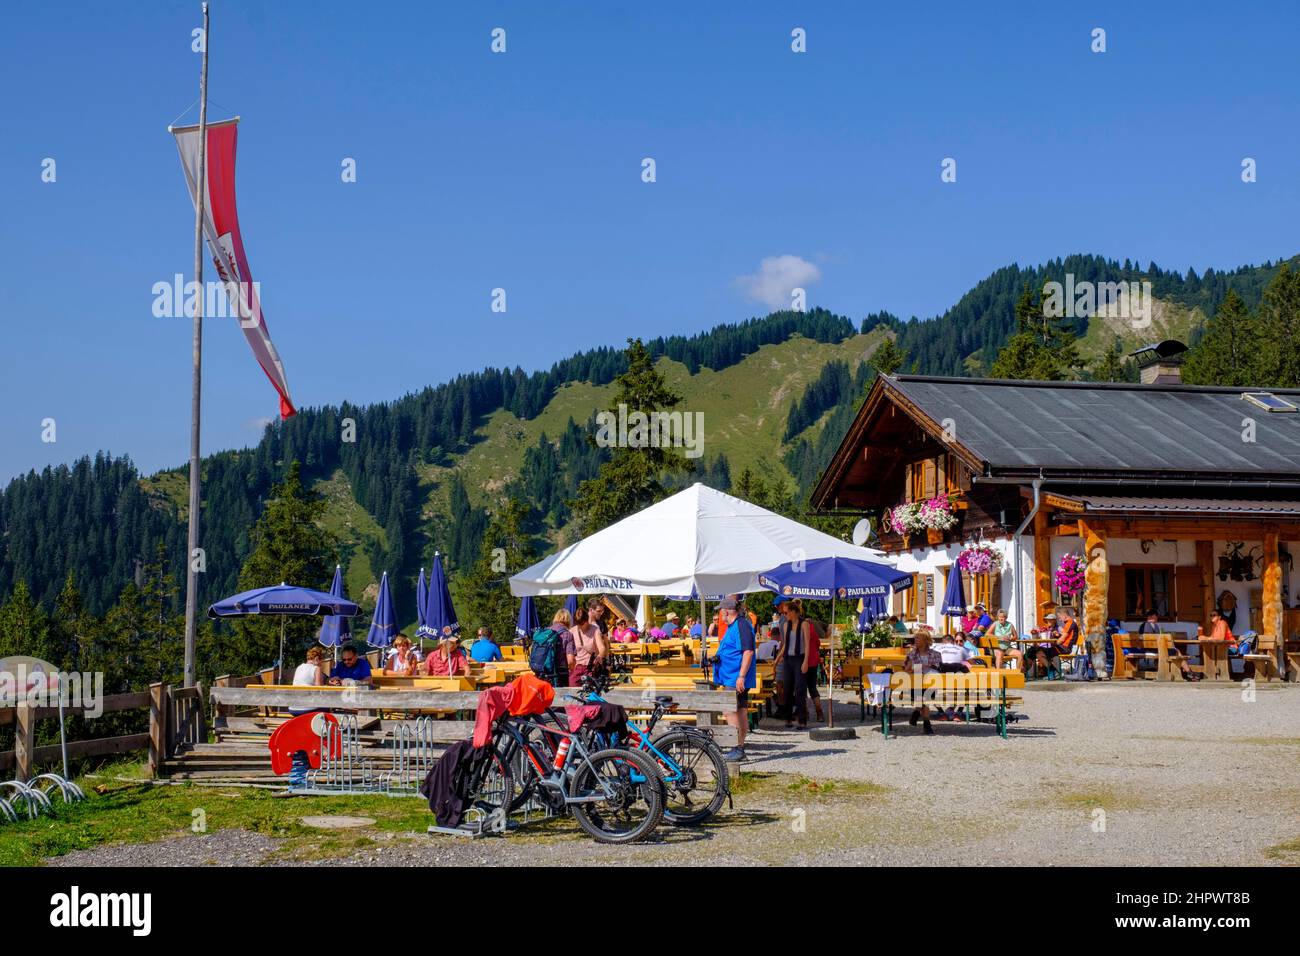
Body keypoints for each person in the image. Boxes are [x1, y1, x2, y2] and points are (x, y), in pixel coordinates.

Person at [713, 597, 756, 761]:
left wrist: (741, 676)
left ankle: (737, 748)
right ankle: (739, 747)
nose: (719, 615)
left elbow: (748, 651)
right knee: (740, 711)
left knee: (729, 711)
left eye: (720, 611)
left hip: (735, 678)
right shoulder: (737, 625)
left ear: (726, 611)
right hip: (733, 677)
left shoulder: (741, 625)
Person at [774, 598, 816, 730]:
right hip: (788, 659)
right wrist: (777, 659)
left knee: (800, 690)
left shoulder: (804, 624)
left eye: (786, 613)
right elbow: (786, 643)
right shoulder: (786, 625)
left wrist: (805, 662)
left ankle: (802, 720)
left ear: (793, 612)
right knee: (787, 689)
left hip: (800, 658)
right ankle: (788, 718)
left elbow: (807, 644)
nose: (784, 615)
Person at [902, 630, 942, 734]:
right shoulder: (912, 654)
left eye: (918, 638)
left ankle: (917, 712)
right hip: (915, 685)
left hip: (930, 684)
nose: (915, 640)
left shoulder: (935, 654)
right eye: (915, 638)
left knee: (925, 696)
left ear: (925, 640)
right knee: (924, 697)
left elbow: (938, 669)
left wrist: (919, 668)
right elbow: (907, 670)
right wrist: (916, 667)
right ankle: (926, 723)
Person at [570, 604, 607, 685]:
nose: (581, 627)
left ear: (587, 620)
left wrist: (600, 656)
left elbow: (602, 648)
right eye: (578, 624)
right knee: (572, 690)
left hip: (590, 668)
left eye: (583, 624)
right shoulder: (572, 631)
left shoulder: (595, 630)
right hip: (577, 668)